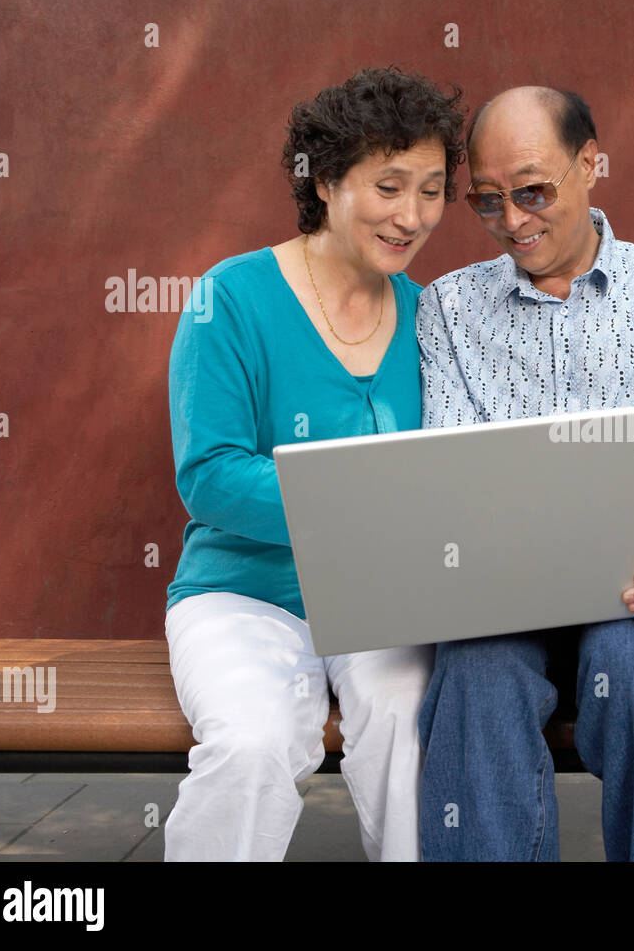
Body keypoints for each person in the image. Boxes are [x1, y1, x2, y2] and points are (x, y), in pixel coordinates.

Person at [414, 86, 634, 861]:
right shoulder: (449, 307)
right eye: (488, 202)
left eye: (533, 191)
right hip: (504, 589)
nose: (514, 223)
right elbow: (451, 475)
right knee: (477, 673)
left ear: (591, 164)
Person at [163, 66, 465, 861]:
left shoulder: (429, 315)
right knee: (254, 743)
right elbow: (211, 476)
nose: (411, 216)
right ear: (325, 182)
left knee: (412, 724)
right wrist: (360, 497)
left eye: (431, 190)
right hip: (243, 592)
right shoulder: (228, 298)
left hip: (383, 595)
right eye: (389, 185)